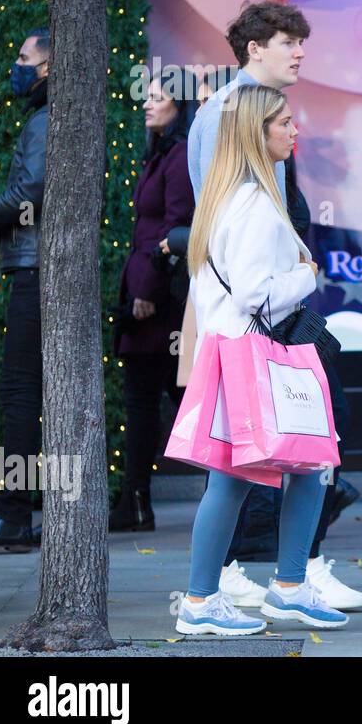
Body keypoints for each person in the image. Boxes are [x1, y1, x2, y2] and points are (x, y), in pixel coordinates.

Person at [187, 1, 362, 611]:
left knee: (269, 457)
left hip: (259, 324)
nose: (299, 52)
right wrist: (303, 276)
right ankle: (265, 576)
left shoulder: (248, 116)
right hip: (261, 326)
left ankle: (273, 575)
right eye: (288, 40)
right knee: (274, 454)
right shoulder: (231, 118)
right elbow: (243, 262)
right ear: (253, 47)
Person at [109, 66, 198, 533]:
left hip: (162, 302)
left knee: (166, 399)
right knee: (156, 399)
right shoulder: (160, 154)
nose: (146, 102)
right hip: (151, 297)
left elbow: (175, 230)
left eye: (158, 96)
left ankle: (139, 502)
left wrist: (146, 290)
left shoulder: (181, 156)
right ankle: (136, 501)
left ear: (178, 106)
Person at [0, 29, 50, 553]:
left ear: (46, 68)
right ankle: (15, 514)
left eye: (24, 58)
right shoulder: (45, 118)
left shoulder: (45, 121)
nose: (17, 66)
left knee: (20, 392)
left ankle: (14, 517)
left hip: (35, 269)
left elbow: (30, 190)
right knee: (26, 391)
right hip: (34, 266)